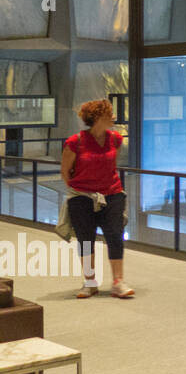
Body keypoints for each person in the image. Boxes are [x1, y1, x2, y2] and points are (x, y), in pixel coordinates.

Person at [60, 99, 133, 299]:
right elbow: (65, 172)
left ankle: (118, 282)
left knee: (115, 236)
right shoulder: (75, 142)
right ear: (98, 118)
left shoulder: (115, 139)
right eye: (110, 114)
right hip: (82, 197)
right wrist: (82, 190)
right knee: (85, 239)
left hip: (112, 194)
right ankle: (89, 282)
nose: (114, 118)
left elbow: (110, 166)